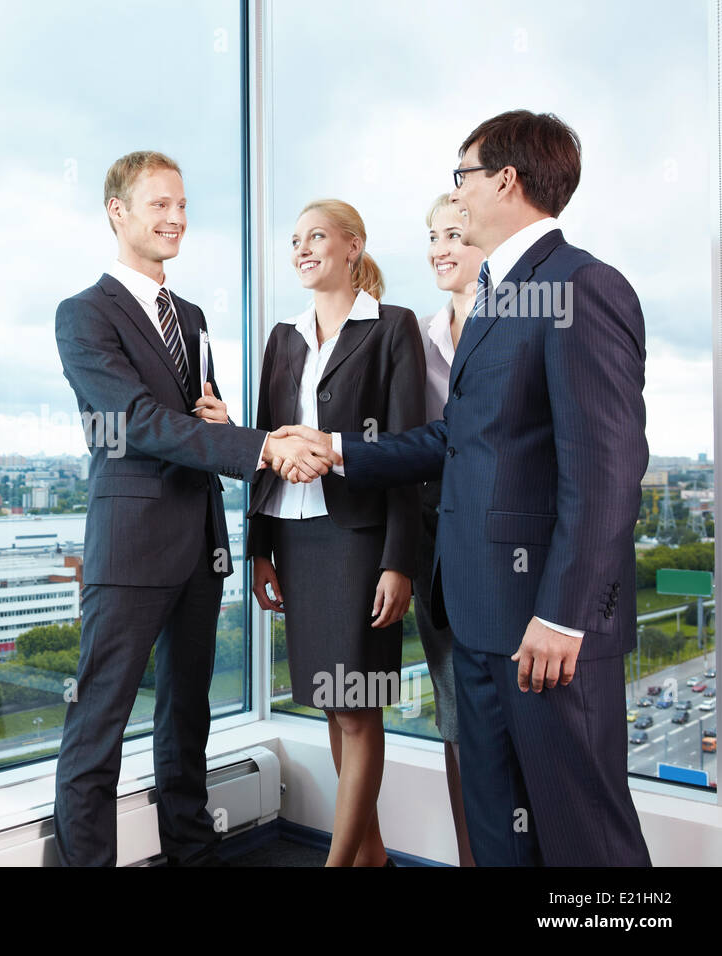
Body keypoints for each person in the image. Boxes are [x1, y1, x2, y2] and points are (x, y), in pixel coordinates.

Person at [282, 111, 652, 866]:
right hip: (478, 619)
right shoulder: (500, 295)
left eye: (464, 177)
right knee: (498, 829)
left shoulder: (582, 284)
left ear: (504, 181)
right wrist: (340, 450)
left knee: (586, 840)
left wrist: (565, 616)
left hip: (545, 634)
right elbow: (459, 438)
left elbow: (609, 470)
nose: (457, 195)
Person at [52, 150, 336, 867]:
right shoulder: (84, 315)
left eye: (182, 205)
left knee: (188, 716)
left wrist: (227, 426)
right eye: (159, 205)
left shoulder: (194, 315)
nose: (177, 218)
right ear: (117, 212)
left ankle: (191, 851)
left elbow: (198, 425)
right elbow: (140, 422)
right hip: (131, 544)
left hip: (200, 543)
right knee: (99, 724)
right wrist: (262, 446)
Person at [246, 199, 424, 867]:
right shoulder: (283, 336)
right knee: (330, 702)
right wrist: (260, 548)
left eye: (316, 236)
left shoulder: (392, 327)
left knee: (359, 709)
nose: (301, 249)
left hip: (359, 540)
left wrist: (398, 559)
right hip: (295, 537)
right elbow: (267, 441)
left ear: (353, 246)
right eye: (295, 241)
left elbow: (406, 452)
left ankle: (337, 865)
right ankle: (371, 856)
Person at [414, 193, 482, 866]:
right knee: (456, 724)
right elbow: (405, 445)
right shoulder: (419, 336)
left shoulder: (520, 323)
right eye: (432, 235)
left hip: (506, 564)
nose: (438, 247)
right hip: (436, 560)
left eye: (454, 234)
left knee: (517, 733)